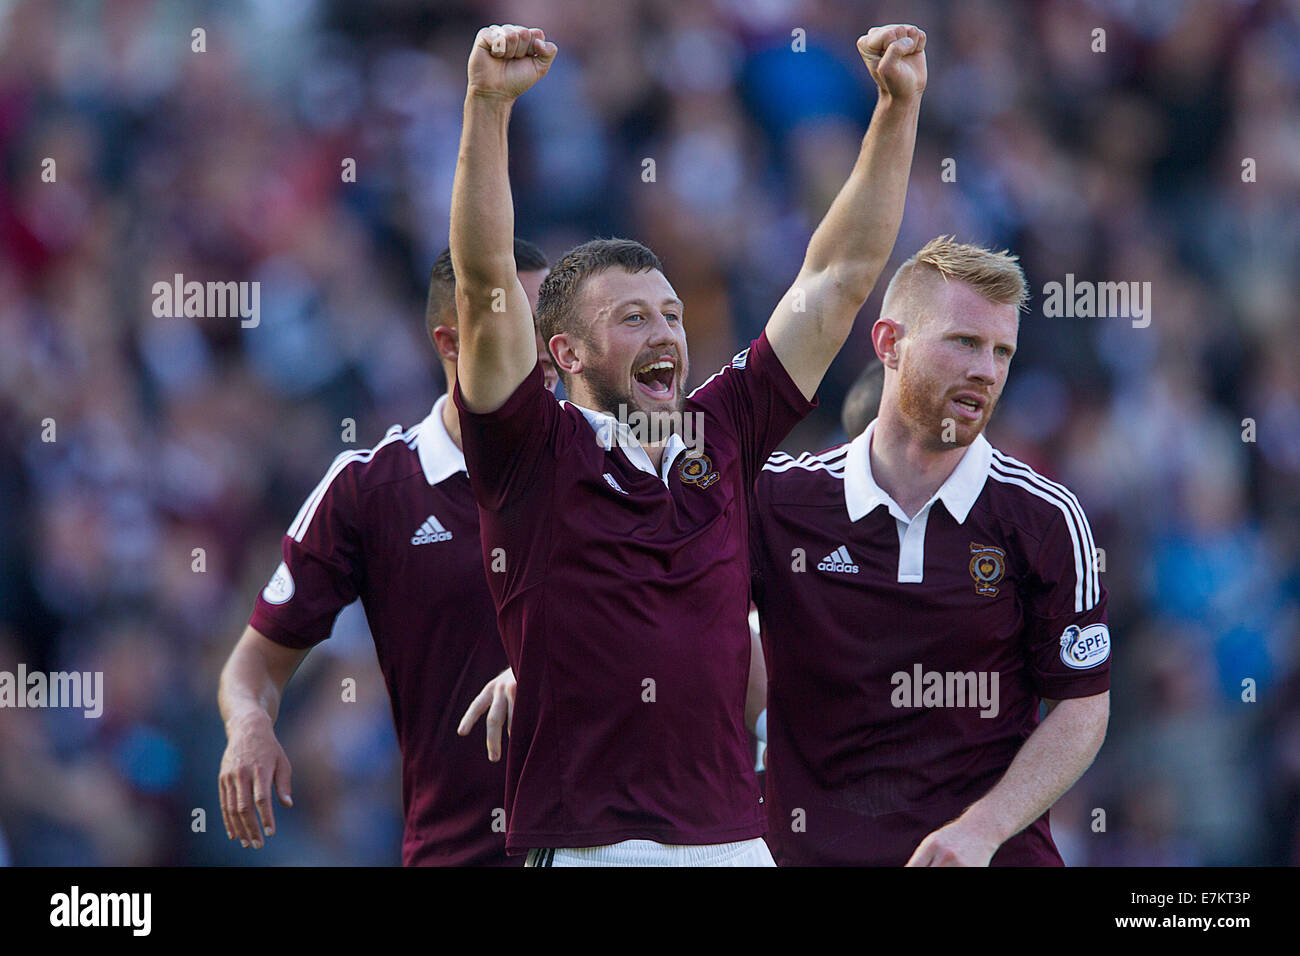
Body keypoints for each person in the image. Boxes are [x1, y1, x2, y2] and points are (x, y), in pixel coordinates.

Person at [449, 21, 925, 866]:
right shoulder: (530, 449)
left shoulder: (723, 429)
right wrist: (488, 107)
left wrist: (896, 107)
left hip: (737, 845)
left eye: (670, 314)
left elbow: (838, 276)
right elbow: (487, 283)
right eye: (633, 318)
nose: (666, 331)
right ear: (564, 354)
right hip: (592, 848)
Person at [751, 236, 1111, 866]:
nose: (988, 370)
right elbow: (667, 605)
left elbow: (1082, 706)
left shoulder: (1046, 518)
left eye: (1003, 352)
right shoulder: (779, 500)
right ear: (889, 343)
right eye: (965, 342)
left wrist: (982, 828)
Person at [217, 240, 554, 866]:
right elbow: (255, 664)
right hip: (460, 854)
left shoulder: (614, 462)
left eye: (553, 326)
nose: (546, 348)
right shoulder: (368, 491)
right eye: (521, 325)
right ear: (449, 343)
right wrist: (250, 727)